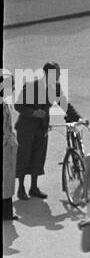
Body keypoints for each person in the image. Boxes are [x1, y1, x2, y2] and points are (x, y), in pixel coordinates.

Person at [13, 62, 55, 201]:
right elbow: (18, 105)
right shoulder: (32, 86)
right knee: (24, 158)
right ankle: (20, 188)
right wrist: (33, 113)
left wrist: (78, 118)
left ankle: (34, 187)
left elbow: (66, 105)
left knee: (38, 157)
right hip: (26, 129)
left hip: (41, 129)